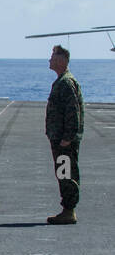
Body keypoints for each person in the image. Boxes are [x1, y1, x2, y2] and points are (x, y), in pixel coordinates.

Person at [44, 45, 84, 225]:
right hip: (60, 140)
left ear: (61, 60)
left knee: (66, 174)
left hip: (64, 142)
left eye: (52, 57)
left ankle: (69, 210)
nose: (49, 60)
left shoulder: (66, 83)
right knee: (63, 173)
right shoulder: (62, 81)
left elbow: (72, 111)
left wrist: (68, 138)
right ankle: (67, 209)